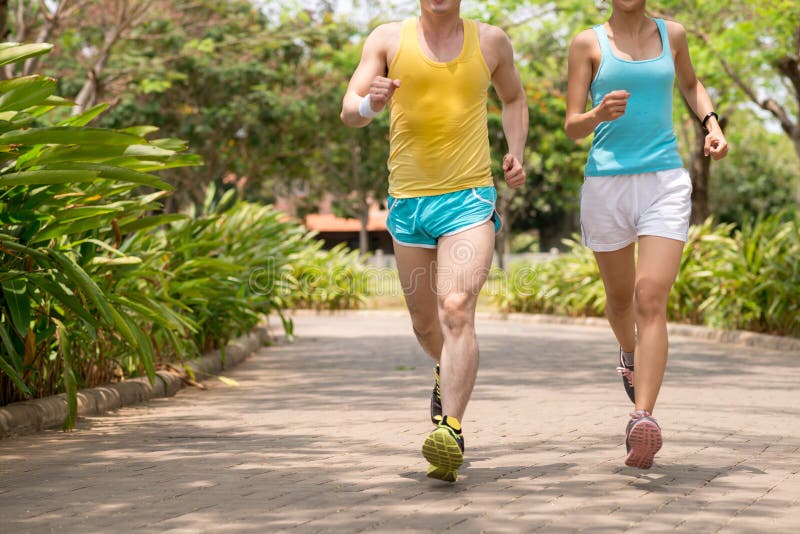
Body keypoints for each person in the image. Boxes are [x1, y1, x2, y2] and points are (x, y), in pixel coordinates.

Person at [341, 0, 527, 482]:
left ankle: (451, 430)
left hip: (469, 198)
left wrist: (515, 151)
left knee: (457, 307)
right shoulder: (387, 39)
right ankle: (445, 371)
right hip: (407, 204)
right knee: (426, 327)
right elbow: (349, 111)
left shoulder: (490, 41)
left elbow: (513, 99)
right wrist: (372, 103)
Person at [565, 0, 728, 469]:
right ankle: (629, 354)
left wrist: (712, 124)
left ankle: (642, 418)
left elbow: (691, 84)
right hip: (607, 184)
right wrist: (597, 114)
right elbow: (572, 126)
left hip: (664, 180)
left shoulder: (672, 34)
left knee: (650, 297)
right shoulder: (587, 44)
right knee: (620, 302)